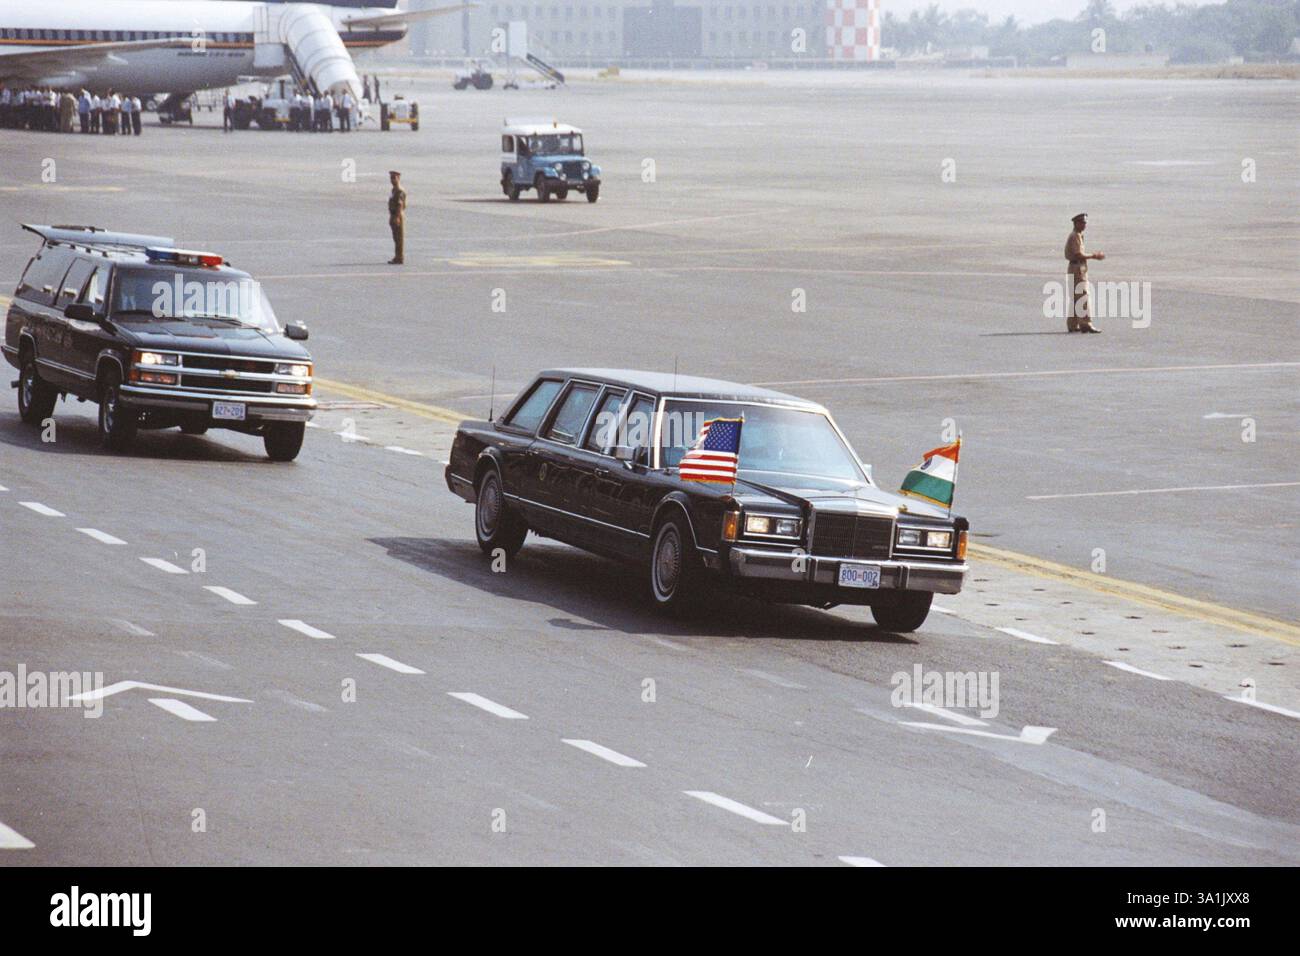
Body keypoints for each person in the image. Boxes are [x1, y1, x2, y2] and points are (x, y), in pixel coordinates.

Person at [1065, 213, 1105, 333]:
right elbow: (1078, 254)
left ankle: (1073, 324)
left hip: (1075, 266)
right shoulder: (1075, 236)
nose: (1084, 225)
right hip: (1077, 267)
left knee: (1076, 296)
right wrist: (1094, 256)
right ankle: (1086, 324)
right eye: (1082, 223)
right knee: (1083, 295)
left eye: (1085, 223)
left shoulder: (1078, 235)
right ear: (1076, 223)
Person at [387, 170, 406, 265]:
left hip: (398, 215)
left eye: (394, 178)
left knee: (399, 237)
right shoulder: (394, 190)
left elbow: (400, 205)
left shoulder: (399, 191)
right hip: (393, 214)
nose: (392, 180)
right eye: (391, 178)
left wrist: (397, 217)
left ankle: (400, 257)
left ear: (398, 178)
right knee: (395, 237)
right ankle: (397, 256)